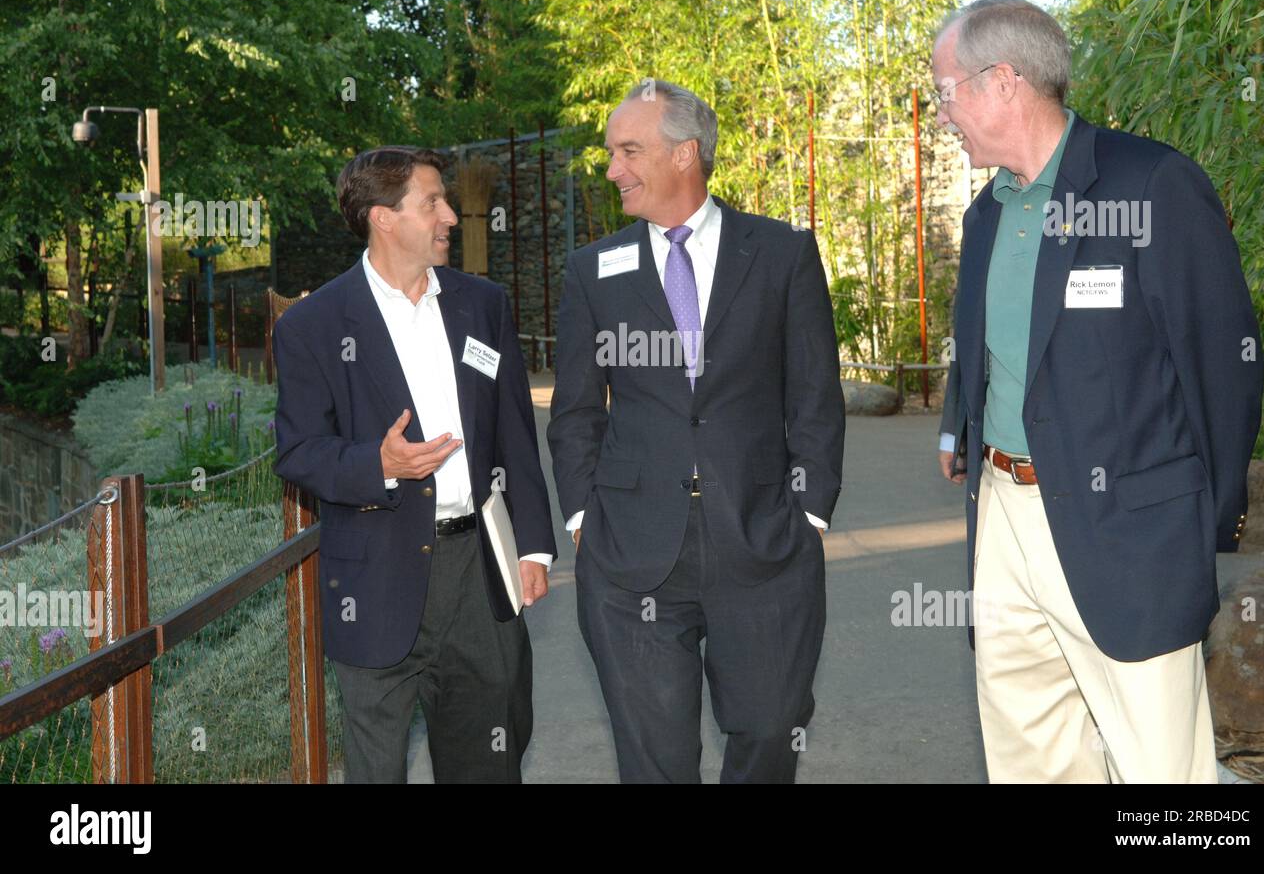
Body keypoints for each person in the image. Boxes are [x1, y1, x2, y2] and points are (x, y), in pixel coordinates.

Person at [933, 0, 1263, 782]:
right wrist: (959, 425)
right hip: (1005, 512)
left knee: (1159, 766)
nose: (941, 114)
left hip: (1129, 527)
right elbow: (981, 338)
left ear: (1002, 83)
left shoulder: (1150, 185)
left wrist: (1197, 521)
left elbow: (1224, 367)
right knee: (1029, 749)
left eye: (946, 91)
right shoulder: (988, 212)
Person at [548, 79, 845, 783]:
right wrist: (586, 515)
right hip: (630, 554)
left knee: (772, 729)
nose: (613, 169)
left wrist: (809, 512)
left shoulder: (782, 254)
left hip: (764, 543)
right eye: (611, 153)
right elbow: (577, 410)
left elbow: (814, 394)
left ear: (686, 155)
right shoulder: (594, 271)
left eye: (628, 150)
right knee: (655, 758)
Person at [272, 145, 556, 782]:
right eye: (432, 202)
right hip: (373, 576)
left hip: (479, 573)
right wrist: (378, 463)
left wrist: (534, 547)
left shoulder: (482, 304)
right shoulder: (313, 325)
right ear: (383, 217)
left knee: (490, 759)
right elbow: (297, 451)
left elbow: (514, 431)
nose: (450, 215)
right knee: (376, 770)